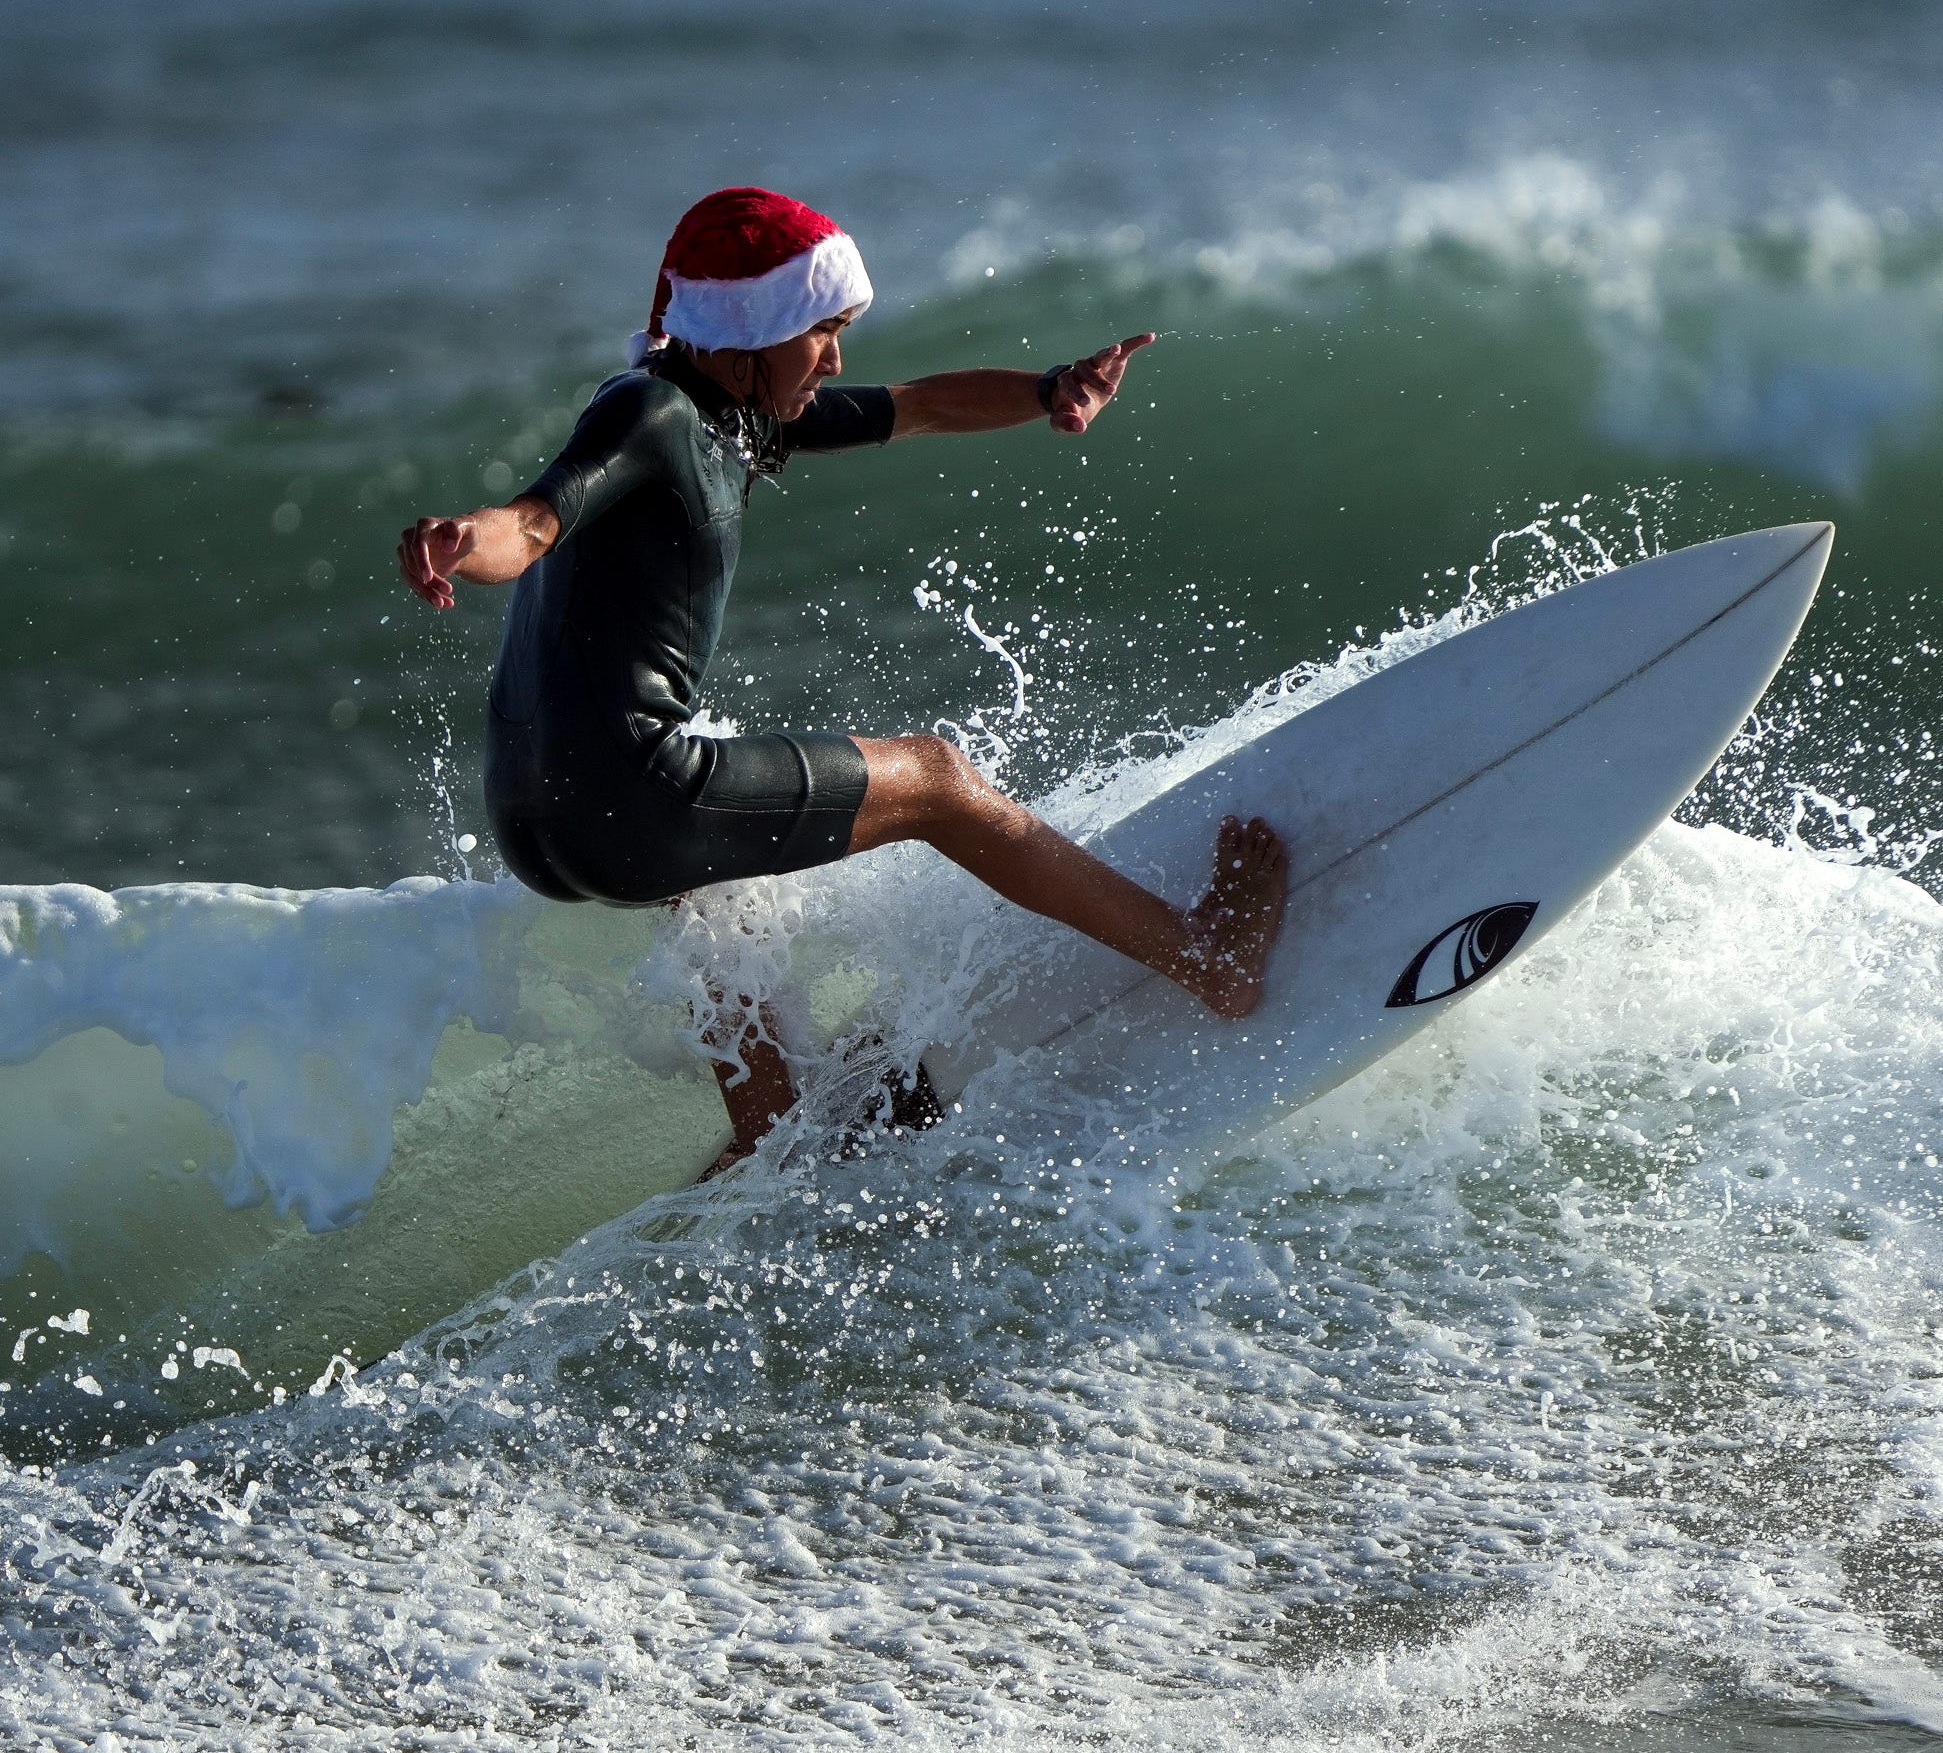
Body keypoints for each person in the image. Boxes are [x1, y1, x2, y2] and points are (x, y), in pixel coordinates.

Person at [397, 186, 1285, 1162]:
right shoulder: (648, 409)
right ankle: (1211, 961)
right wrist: (458, 538)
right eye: (821, 331)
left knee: (718, 879)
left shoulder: (737, 415)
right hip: (627, 796)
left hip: (542, 818)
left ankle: (772, 1138)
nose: (835, 357)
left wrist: (1048, 390)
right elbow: (532, 522)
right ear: (750, 332)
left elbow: (923, 405)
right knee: (939, 780)